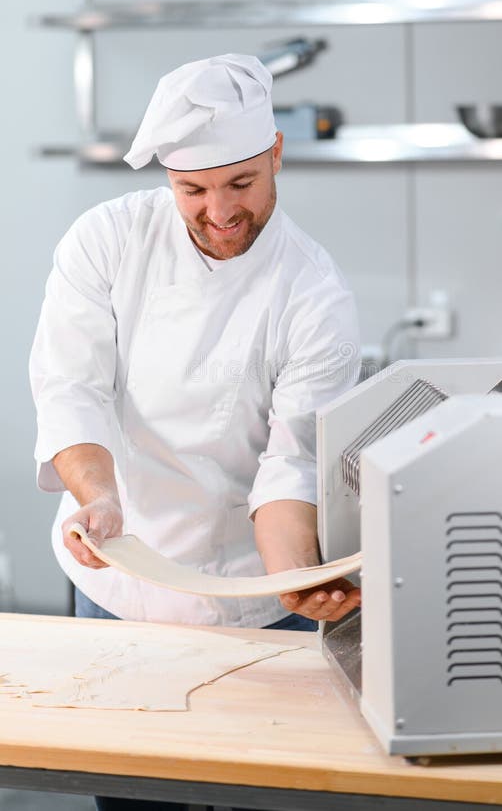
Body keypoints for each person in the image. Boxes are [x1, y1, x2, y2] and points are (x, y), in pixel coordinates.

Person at [30, 53, 361, 811]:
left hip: (251, 590)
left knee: (257, 788)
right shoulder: (107, 241)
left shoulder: (313, 294)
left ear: (275, 153)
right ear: (167, 182)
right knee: (134, 793)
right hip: (120, 565)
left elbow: (291, 464)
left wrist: (298, 579)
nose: (219, 211)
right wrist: (99, 501)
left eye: (241, 183)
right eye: (193, 189)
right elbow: (71, 389)